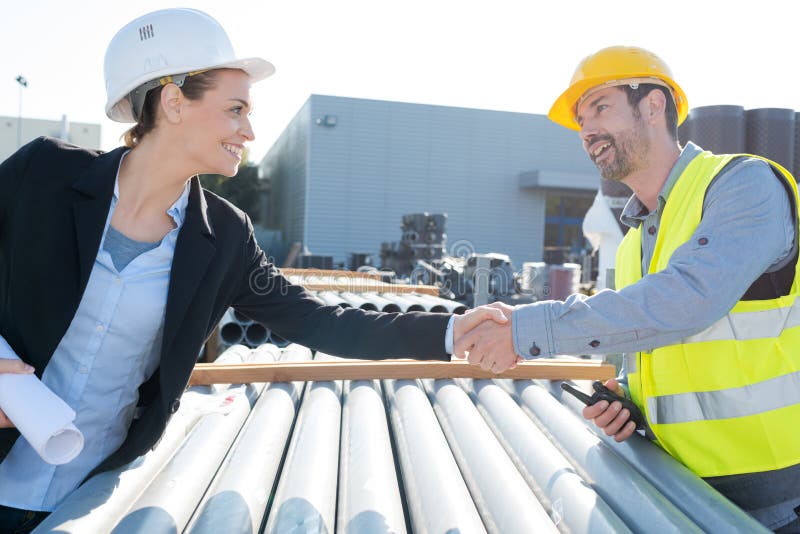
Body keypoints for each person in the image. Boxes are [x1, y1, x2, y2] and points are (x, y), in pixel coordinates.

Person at [0, 8, 505, 530]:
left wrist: (448, 331)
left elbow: (319, 322)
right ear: (174, 102)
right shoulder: (43, 174)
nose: (250, 130)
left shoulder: (223, 237)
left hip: (88, 501)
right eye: (235, 109)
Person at [457, 46, 800, 531]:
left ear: (654, 105)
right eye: (580, 121)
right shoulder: (633, 243)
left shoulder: (744, 185)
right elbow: (659, 344)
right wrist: (631, 407)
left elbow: (688, 301)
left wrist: (523, 330)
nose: (587, 131)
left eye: (600, 107)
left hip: (775, 507)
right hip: (677, 493)